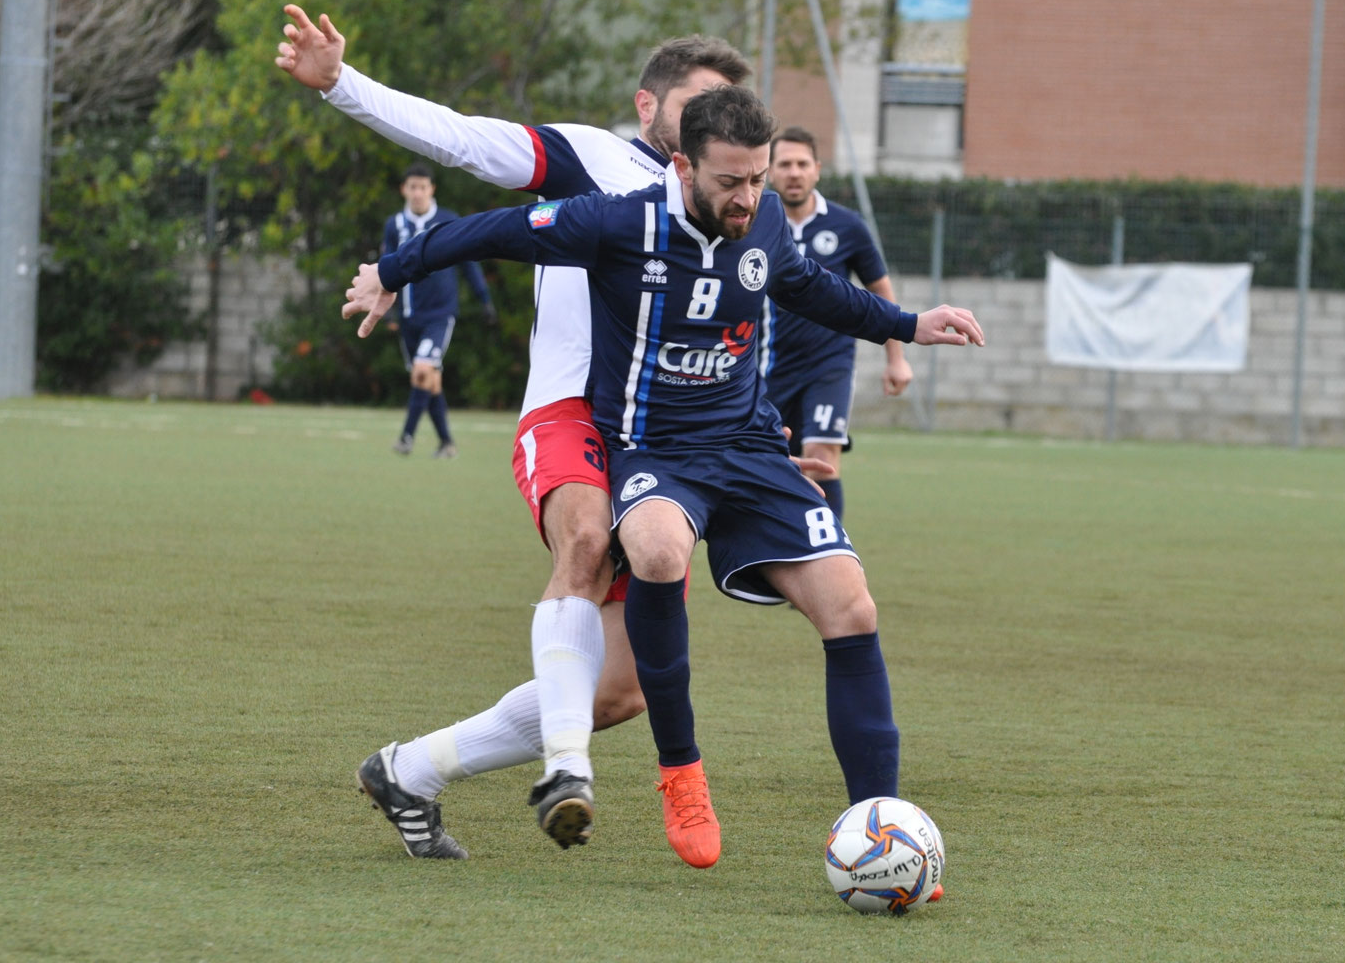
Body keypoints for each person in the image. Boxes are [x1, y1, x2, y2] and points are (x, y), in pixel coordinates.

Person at [341, 84, 985, 871]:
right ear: (683, 165)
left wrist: (907, 325)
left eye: (757, 180)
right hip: (656, 451)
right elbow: (493, 229)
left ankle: (881, 836)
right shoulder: (622, 220)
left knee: (852, 606)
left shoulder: (767, 220)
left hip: (749, 448)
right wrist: (394, 271)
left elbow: (812, 289)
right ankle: (681, 773)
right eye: (730, 183)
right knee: (652, 551)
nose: (749, 198)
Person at [275, 4, 751, 858]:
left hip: (661, 444)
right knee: (583, 537)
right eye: (700, 105)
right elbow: (461, 138)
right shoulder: (591, 159)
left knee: (620, 691)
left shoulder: (726, 208)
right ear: (648, 108)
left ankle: (409, 769)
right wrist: (342, 85)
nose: (717, 125)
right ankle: (566, 771)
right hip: (571, 409)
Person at [763, 127, 912, 525]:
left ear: (817, 170)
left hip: (829, 363)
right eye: (785, 164)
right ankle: (780, 552)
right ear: (770, 171)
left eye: (802, 164)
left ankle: (829, 556)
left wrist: (895, 358)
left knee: (822, 457)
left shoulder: (847, 226)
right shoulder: (755, 221)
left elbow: (881, 291)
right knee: (771, 463)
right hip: (767, 367)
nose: (794, 172)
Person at [381, 163, 496, 459]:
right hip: (409, 315)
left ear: (432, 189)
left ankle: (406, 437)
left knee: (421, 371)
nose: (417, 193)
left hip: (440, 314)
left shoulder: (448, 221)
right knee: (429, 379)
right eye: (412, 187)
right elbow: (387, 266)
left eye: (423, 187)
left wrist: (484, 299)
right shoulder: (394, 225)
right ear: (403, 190)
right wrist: (388, 310)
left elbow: (468, 263)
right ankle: (447, 444)